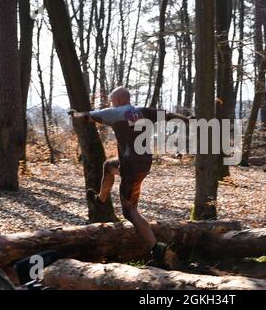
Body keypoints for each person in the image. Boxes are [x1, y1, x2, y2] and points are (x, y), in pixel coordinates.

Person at [69, 87, 190, 268]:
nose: (111, 103)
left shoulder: (114, 112)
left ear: (117, 100)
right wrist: (187, 120)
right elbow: (168, 115)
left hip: (130, 167)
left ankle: (157, 249)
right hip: (143, 162)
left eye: (111, 100)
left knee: (130, 211)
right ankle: (101, 199)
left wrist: (73, 114)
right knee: (109, 166)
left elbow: (86, 116)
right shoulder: (143, 111)